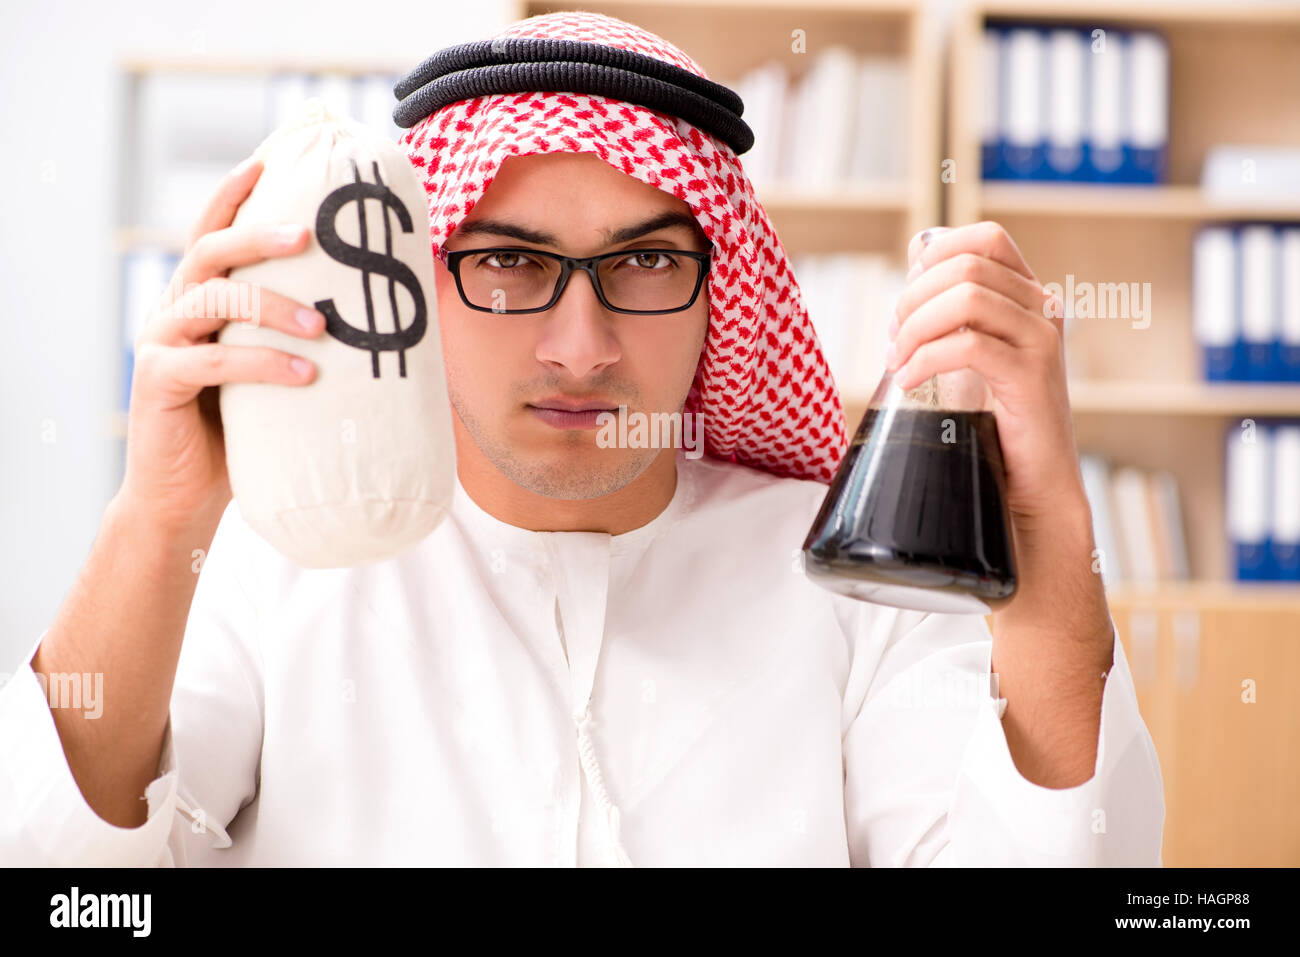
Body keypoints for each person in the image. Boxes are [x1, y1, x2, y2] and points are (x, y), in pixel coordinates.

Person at [0, 12, 1163, 866]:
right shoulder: (272, 569)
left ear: (720, 288)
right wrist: (154, 521)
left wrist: (1046, 530)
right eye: (508, 261)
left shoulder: (854, 591)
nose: (580, 347)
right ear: (416, 282)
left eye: (645, 261)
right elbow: (59, 876)